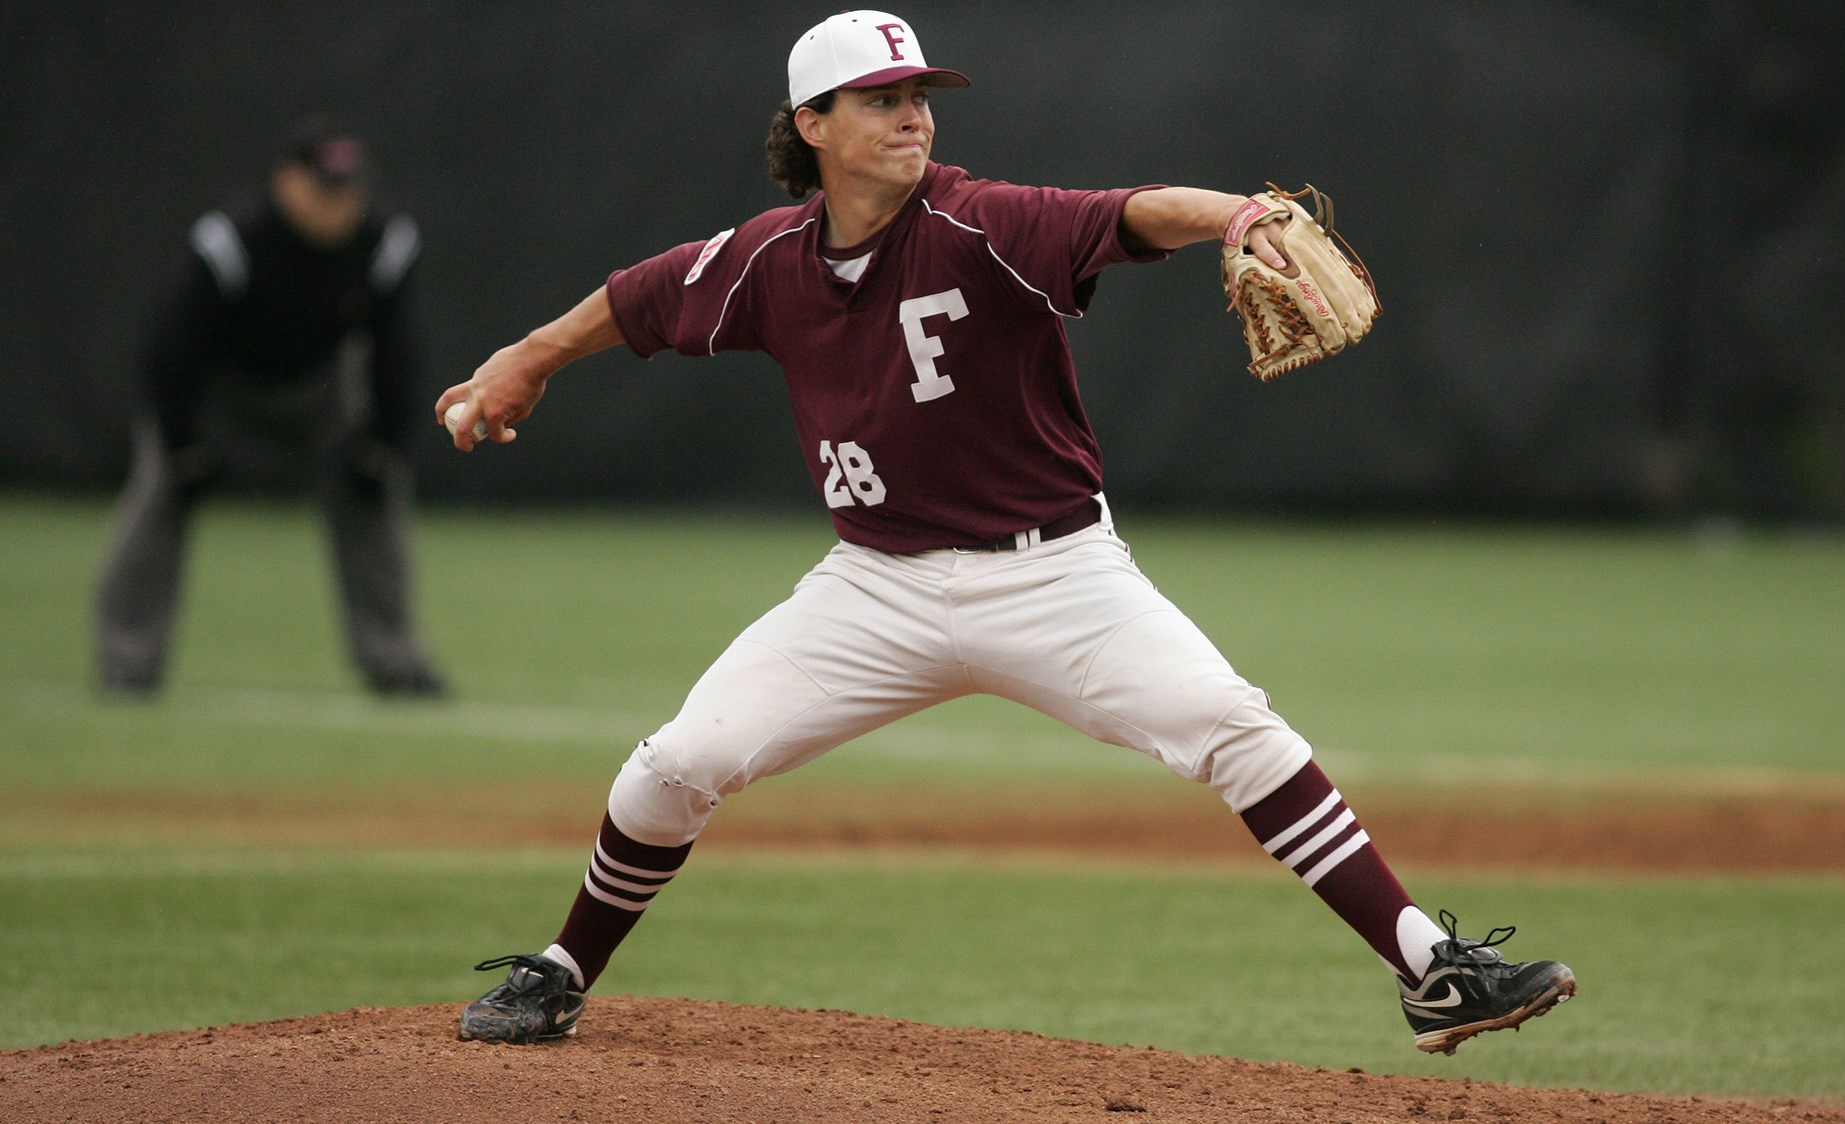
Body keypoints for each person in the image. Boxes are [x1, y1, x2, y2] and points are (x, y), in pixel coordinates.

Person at [442, 11, 1575, 1056]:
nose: (911, 115)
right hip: (872, 589)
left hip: (1057, 577)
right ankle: (560, 968)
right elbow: (638, 299)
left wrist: (1233, 214)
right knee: (679, 762)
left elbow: (1128, 212)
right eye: (880, 97)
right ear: (812, 126)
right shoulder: (765, 260)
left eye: (919, 94)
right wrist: (520, 362)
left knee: (1231, 725)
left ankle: (1430, 967)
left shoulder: (978, 221)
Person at [96, 118, 448, 698]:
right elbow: (172, 353)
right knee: (158, 489)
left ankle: (394, 657)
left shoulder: (382, 241)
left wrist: (384, 442)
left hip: (320, 393)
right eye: (323, 188)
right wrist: (184, 445)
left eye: (348, 190)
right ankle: (128, 660)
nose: (338, 205)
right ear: (286, 182)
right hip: (223, 392)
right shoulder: (233, 240)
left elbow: (395, 354)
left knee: (377, 491)